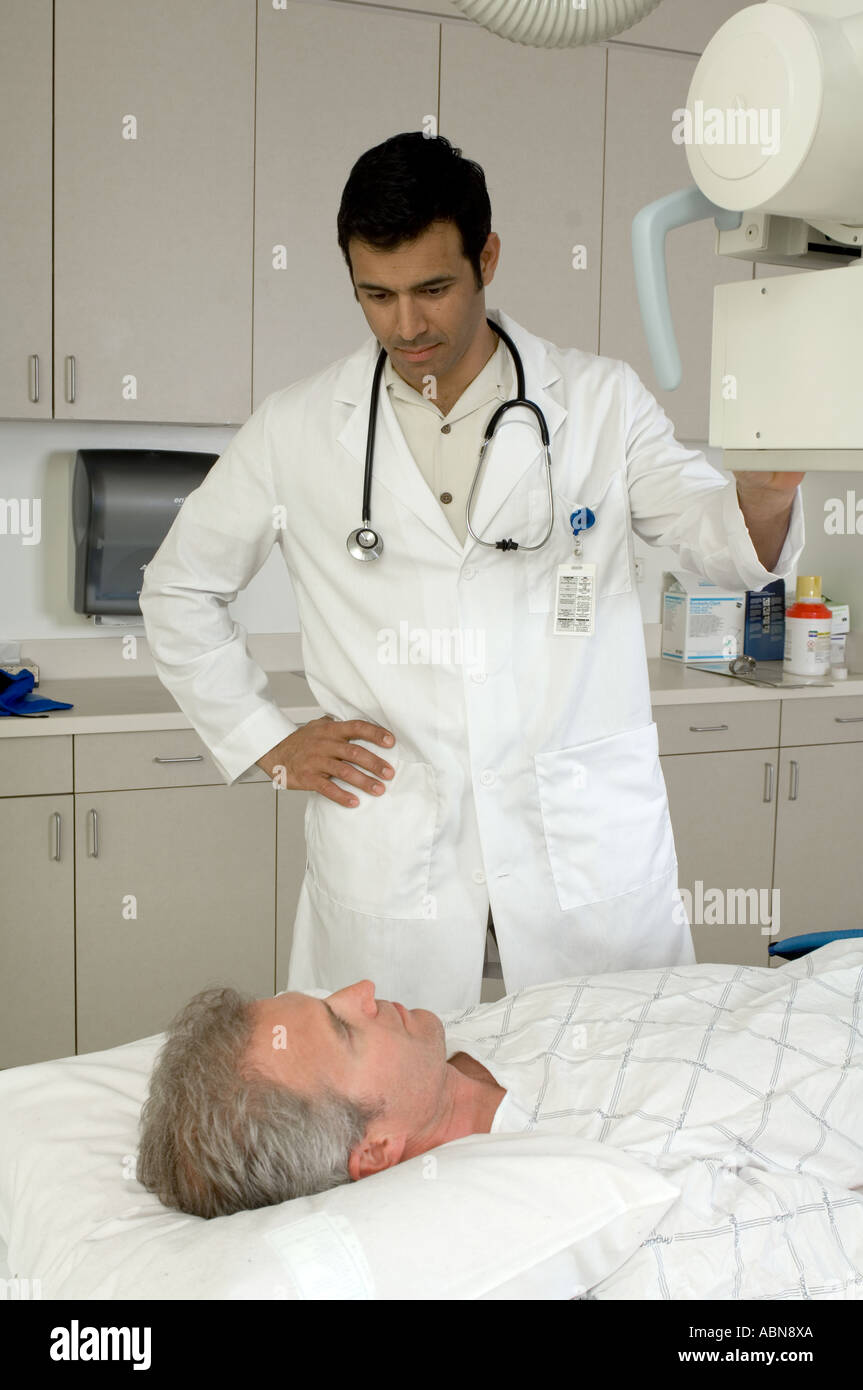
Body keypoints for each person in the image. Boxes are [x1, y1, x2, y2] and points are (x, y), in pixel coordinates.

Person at [139, 131, 805, 1012]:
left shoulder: (598, 402)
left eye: (432, 290)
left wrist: (763, 492)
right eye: (375, 295)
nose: (405, 327)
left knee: (603, 1070)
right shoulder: (295, 428)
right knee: (391, 1086)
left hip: (576, 846)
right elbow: (177, 589)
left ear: (486, 259)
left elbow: (715, 542)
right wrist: (265, 740)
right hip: (398, 849)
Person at [137, 945, 863, 1220]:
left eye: (329, 999)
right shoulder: (605, 1186)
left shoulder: (481, 1033)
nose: (362, 989)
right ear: (375, 1150)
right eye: (344, 1027)